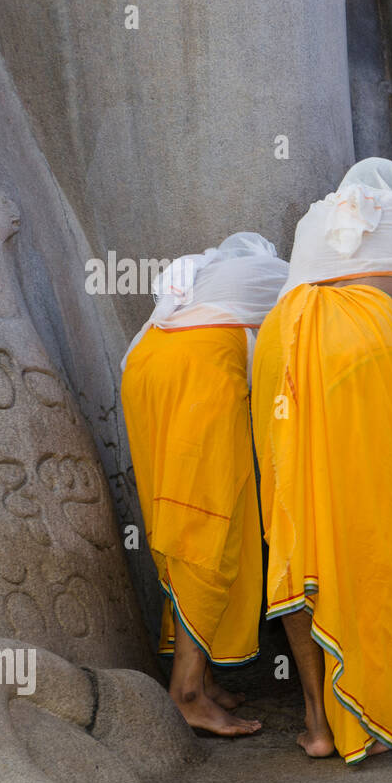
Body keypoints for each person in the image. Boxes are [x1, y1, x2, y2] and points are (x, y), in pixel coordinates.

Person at [251, 158, 392, 762]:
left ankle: (316, 720)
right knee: (363, 524)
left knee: (296, 522)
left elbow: (330, 306)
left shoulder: (314, 221)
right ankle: (365, 708)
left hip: (283, 345)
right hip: (356, 347)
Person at [121, 232, 288, 736]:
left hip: (146, 375)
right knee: (207, 529)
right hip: (199, 379)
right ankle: (188, 694)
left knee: (176, 521)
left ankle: (202, 677)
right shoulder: (274, 280)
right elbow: (330, 315)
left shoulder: (197, 282)